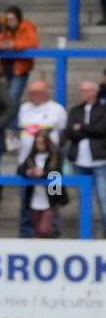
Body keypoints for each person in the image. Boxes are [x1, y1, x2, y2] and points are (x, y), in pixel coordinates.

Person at [63, 79, 106, 237]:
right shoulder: (75, 110)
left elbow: (102, 129)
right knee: (84, 200)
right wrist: (87, 130)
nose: (82, 93)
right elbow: (69, 131)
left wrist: (81, 127)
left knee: (103, 199)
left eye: (85, 90)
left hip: (100, 161)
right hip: (79, 161)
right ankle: (86, 235)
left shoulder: (103, 109)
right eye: (81, 90)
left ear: (94, 92)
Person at [18, 128, 67, 238]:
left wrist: (43, 173)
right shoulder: (31, 157)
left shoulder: (56, 155)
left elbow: (57, 172)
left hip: (51, 196)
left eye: (42, 143)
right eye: (37, 143)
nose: (39, 145)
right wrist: (28, 172)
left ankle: (52, 242)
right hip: (35, 196)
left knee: (44, 229)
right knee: (37, 229)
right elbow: (20, 169)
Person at [0, 6, 39, 109]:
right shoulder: (5, 28)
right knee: (5, 98)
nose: (10, 22)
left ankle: (12, 124)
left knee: (12, 97)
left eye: (13, 19)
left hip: (20, 68)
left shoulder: (27, 27)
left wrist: (14, 44)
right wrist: (1, 44)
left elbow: (33, 43)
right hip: (5, 67)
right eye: (8, 19)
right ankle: (11, 123)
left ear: (18, 19)